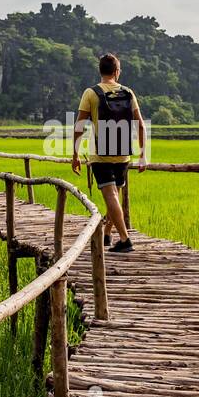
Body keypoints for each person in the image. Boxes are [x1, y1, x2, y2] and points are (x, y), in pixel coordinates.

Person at [71, 53, 146, 253]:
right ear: (116, 72)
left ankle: (125, 239)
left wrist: (75, 154)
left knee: (111, 197)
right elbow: (140, 124)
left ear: (100, 71)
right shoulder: (128, 92)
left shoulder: (91, 93)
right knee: (115, 196)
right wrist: (143, 154)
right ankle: (106, 233)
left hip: (100, 155)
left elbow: (79, 125)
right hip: (123, 153)